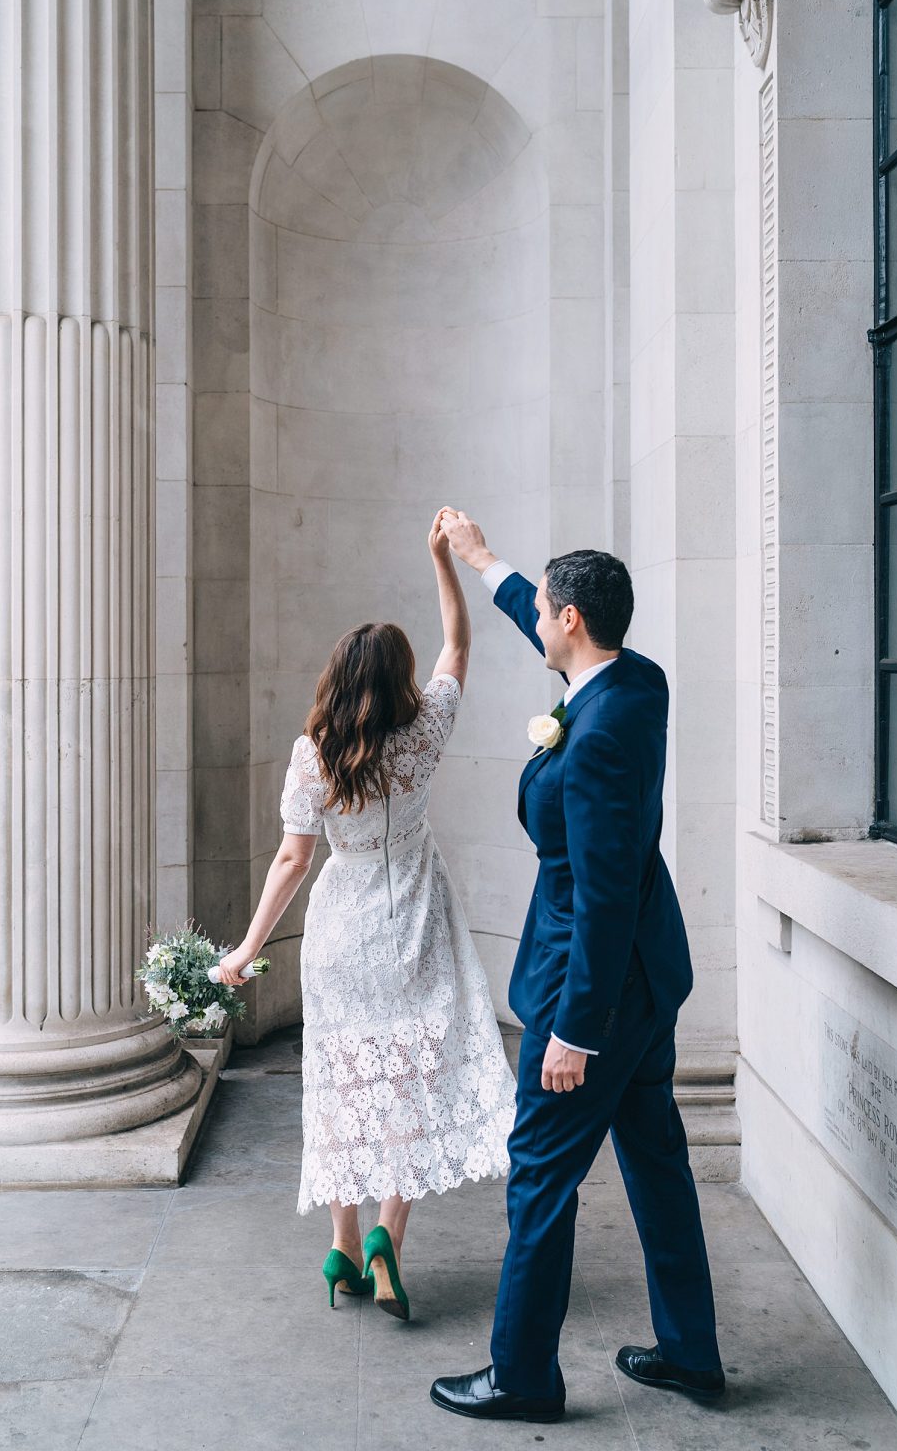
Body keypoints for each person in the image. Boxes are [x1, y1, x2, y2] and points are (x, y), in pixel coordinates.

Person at [429, 511, 724, 1423]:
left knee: (539, 1176)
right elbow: (548, 626)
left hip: (589, 989)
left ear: (572, 622)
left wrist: (574, 1033)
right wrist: (482, 560)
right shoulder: (636, 682)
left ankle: (521, 1375)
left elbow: (602, 899)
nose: (538, 621)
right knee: (658, 1164)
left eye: (545, 612)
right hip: (649, 979)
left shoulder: (591, 741)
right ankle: (690, 1353)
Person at [218, 510, 516, 1321]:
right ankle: (388, 1239)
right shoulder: (423, 732)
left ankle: (343, 1244)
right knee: (407, 1083)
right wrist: (443, 561)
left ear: (337, 680)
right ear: (398, 681)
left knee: (343, 1083)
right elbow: (459, 647)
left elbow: (292, 861)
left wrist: (245, 949)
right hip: (413, 923)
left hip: (340, 934)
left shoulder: (313, 754)